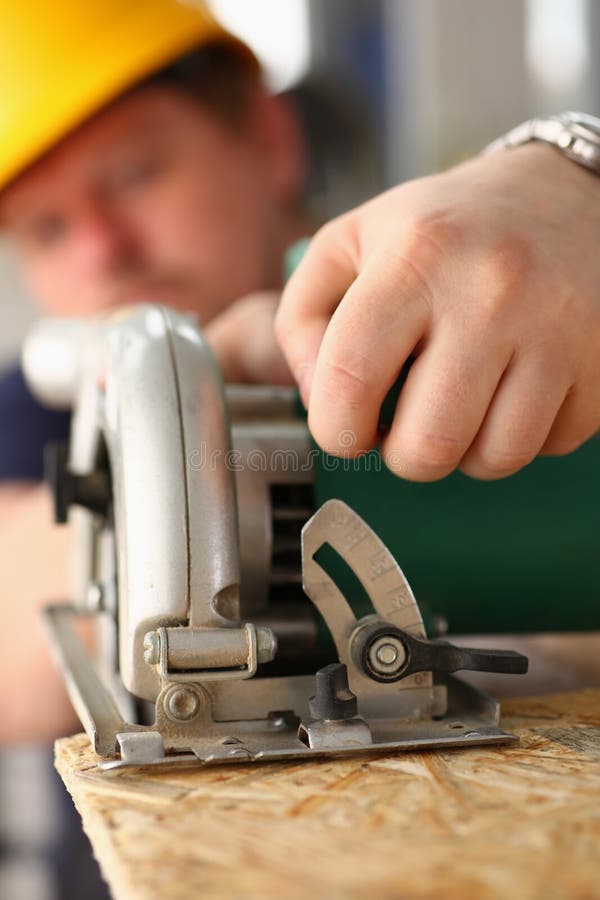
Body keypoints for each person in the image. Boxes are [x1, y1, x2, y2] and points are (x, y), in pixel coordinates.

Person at [1, 0, 599, 745]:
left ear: (270, 138)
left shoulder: (468, 274)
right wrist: (179, 459)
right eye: (48, 228)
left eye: (134, 173)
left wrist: (577, 174)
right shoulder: (36, 406)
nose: (103, 251)